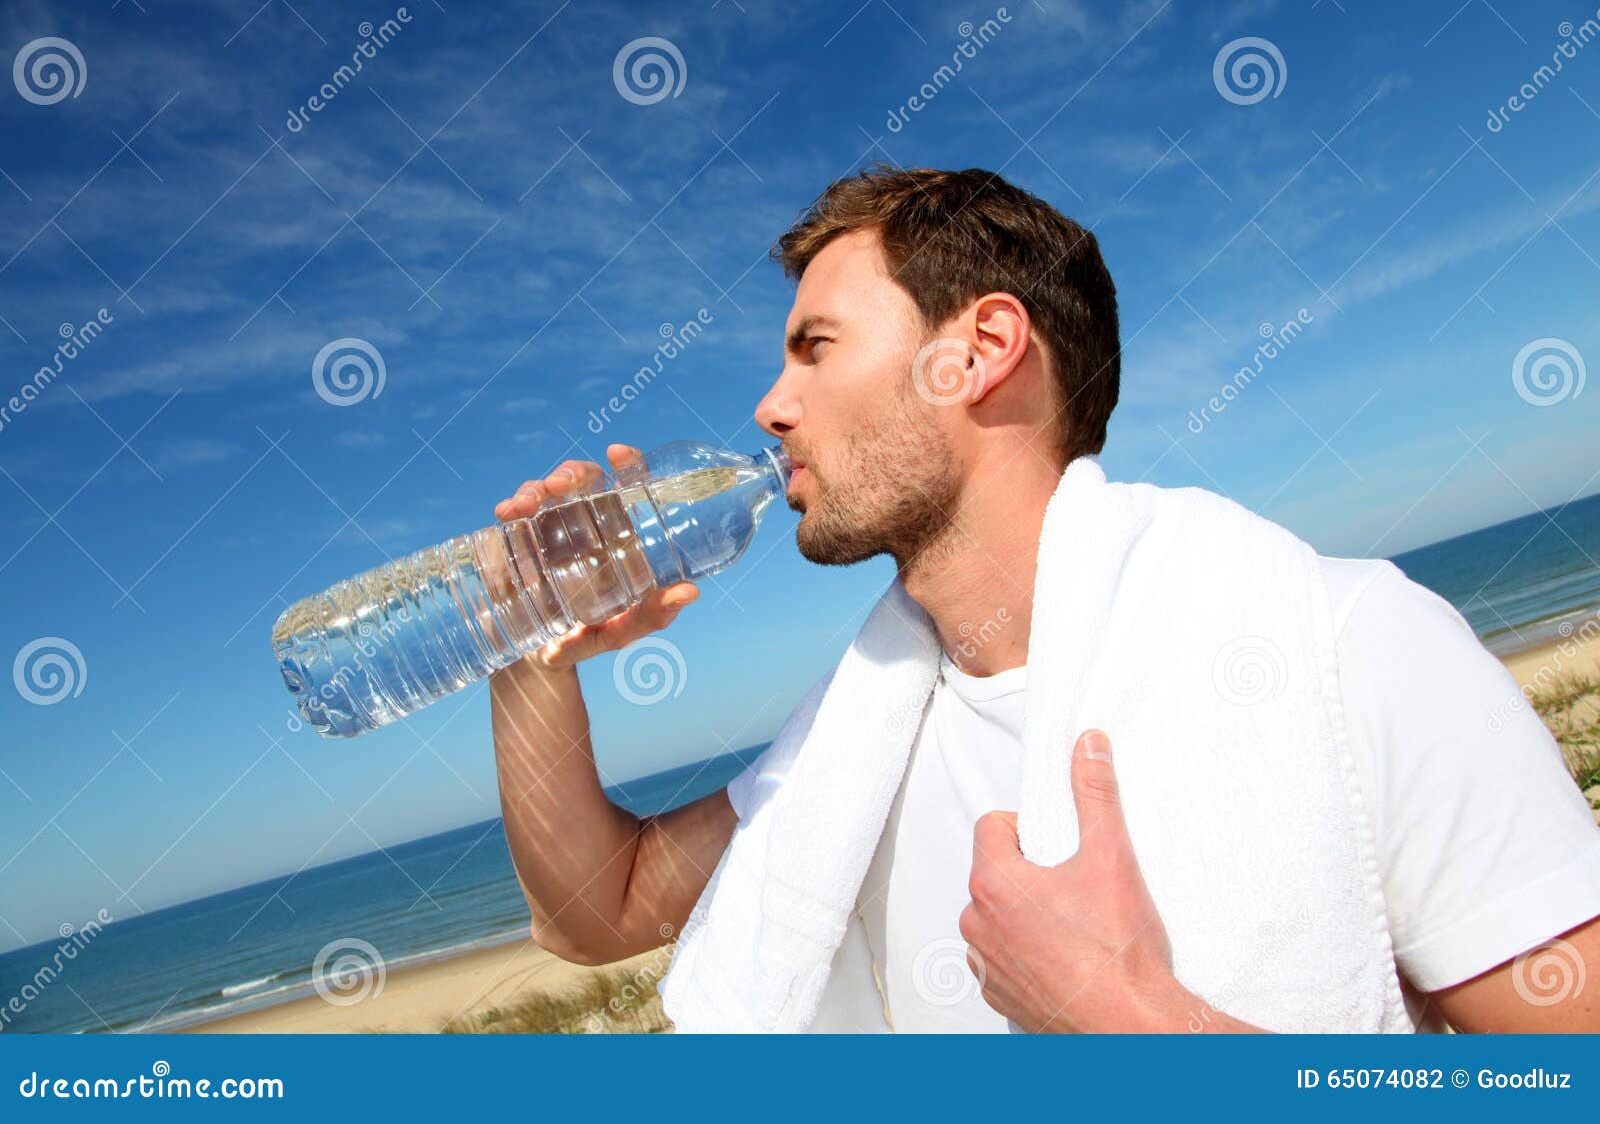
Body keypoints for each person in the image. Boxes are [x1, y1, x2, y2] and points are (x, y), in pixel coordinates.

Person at [489, 166, 1600, 1032]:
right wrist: (531, 653)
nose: (771, 405)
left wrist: (1138, 1020)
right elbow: (601, 907)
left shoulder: (1354, 646)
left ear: (977, 350)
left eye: (815, 348)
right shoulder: (855, 734)